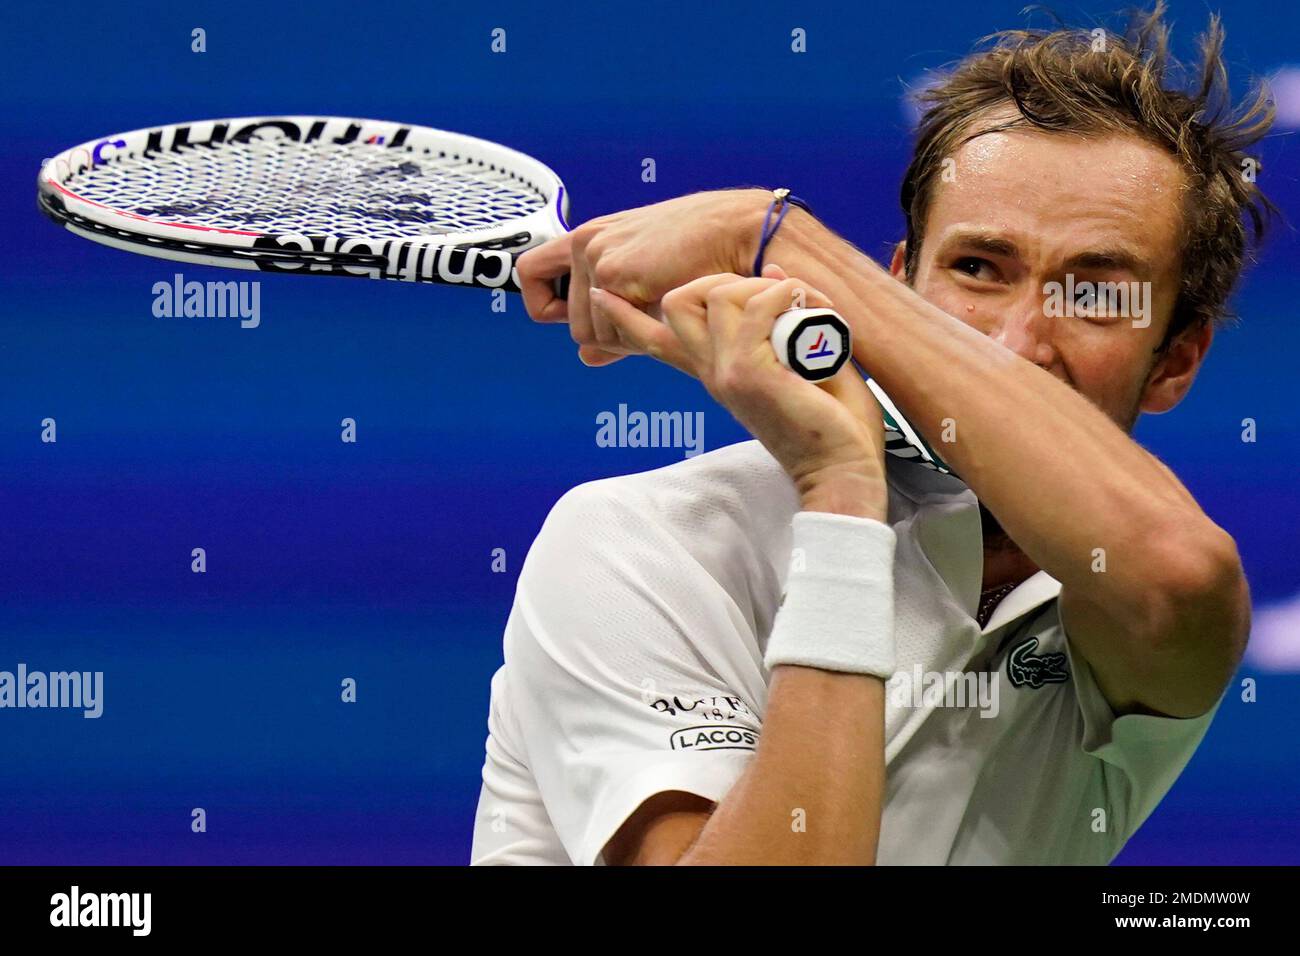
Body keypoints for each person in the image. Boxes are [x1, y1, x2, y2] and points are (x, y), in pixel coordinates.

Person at [470, 4, 1272, 865]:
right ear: (899, 289)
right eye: (976, 269)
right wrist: (840, 498)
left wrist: (769, 236)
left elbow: (1178, 572)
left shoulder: (1136, 592)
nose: (1014, 343)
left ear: (1176, 361)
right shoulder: (641, 540)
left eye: (1094, 292)